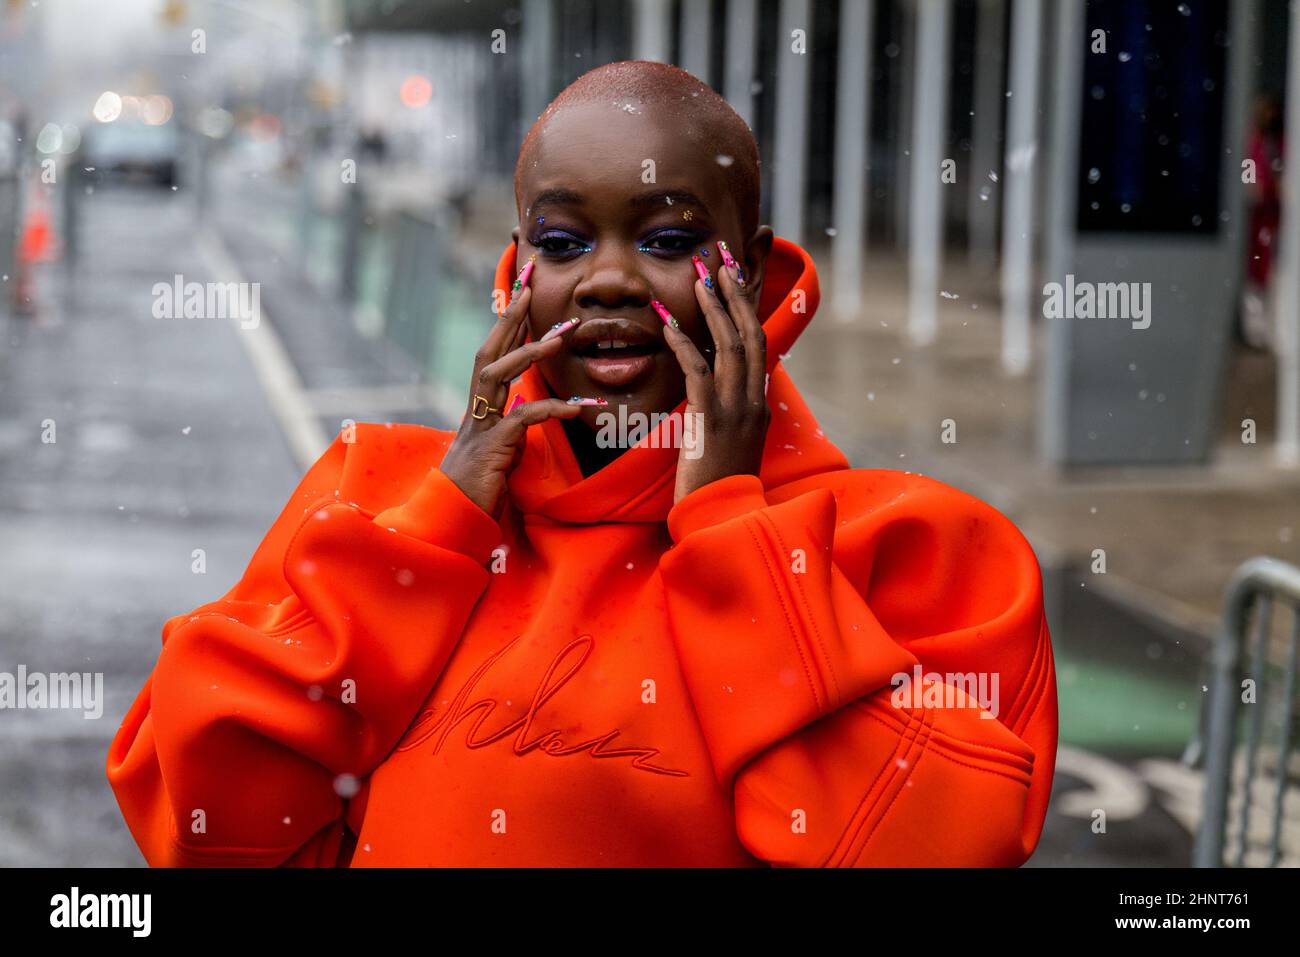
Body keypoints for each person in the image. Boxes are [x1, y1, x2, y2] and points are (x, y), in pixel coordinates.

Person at [106, 60, 1058, 867]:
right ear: (518, 270)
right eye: (562, 242)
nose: (606, 276)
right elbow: (203, 822)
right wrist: (436, 529)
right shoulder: (372, 491)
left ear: (752, 266)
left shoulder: (916, 545)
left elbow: (930, 843)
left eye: (669, 239)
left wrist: (732, 525)